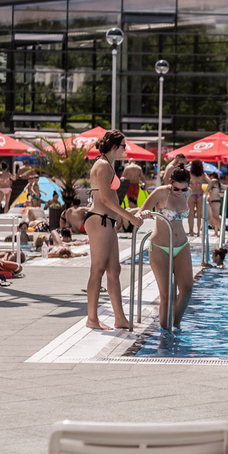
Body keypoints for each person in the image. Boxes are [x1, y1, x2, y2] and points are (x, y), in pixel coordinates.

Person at [83, 130, 142, 331]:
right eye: (124, 146)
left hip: (107, 221)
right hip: (100, 220)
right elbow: (107, 199)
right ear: (115, 147)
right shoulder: (102, 165)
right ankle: (92, 318)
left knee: (114, 270)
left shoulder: (107, 165)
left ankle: (120, 318)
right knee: (98, 270)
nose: (126, 150)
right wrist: (130, 217)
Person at [138, 166, 193, 330]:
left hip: (182, 244)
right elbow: (142, 211)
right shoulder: (161, 192)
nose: (179, 192)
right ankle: (165, 335)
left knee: (187, 289)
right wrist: (145, 213)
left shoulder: (188, 193)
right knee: (167, 294)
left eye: (183, 189)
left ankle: (174, 326)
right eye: (176, 188)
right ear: (170, 183)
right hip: (160, 246)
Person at [187, 159, 207, 236]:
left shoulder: (189, 173)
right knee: (199, 215)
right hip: (200, 194)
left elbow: (181, 169)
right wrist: (206, 191)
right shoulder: (202, 174)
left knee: (191, 214)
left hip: (192, 194)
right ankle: (198, 232)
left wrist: (188, 165)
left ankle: (191, 231)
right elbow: (211, 182)